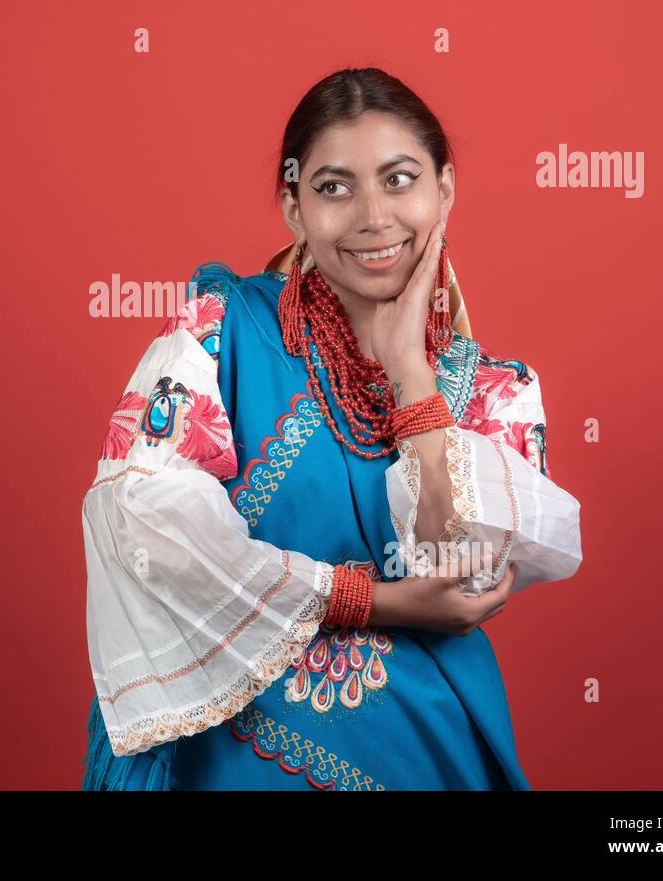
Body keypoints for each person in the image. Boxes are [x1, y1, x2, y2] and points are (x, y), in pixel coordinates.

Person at [79, 67, 583, 791]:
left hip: (426, 753)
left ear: (445, 188)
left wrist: (412, 374)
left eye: (400, 179)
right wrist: (369, 599)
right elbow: (142, 524)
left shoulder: (498, 394)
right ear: (293, 206)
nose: (373, 215)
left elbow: (463, 577)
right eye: (334, 187)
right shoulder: (219, 336)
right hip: (228, 756)